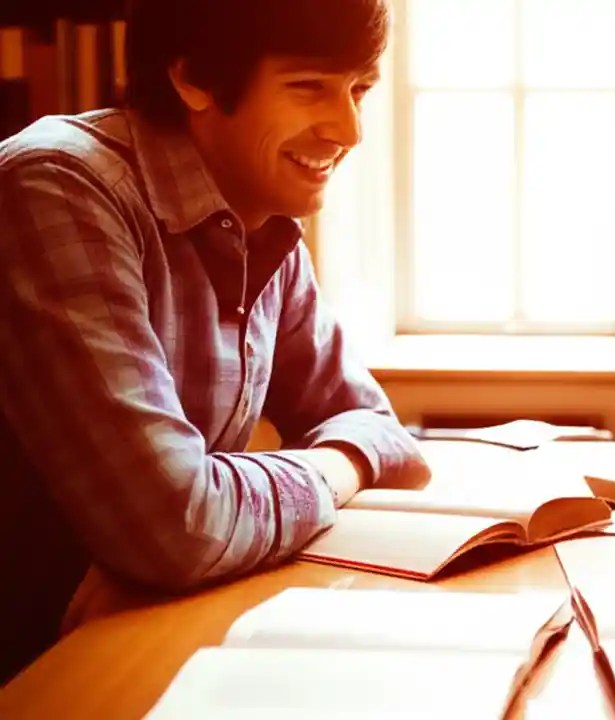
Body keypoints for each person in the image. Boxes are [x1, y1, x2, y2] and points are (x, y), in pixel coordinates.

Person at [0, 0, 429, 683]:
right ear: (194, 77)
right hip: (35, 666)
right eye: (309, 87)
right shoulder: (56, 186)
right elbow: (177, 527)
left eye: (359, 90)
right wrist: (336, 468)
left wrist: (335, 458)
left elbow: (379, 432)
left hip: (151, 636)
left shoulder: (264, 222)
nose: (348, 128)